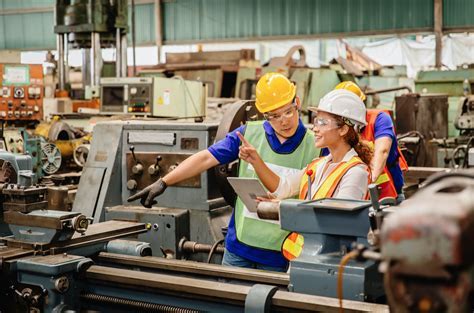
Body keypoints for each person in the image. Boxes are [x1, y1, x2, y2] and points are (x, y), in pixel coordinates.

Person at [127, 72, 319, 272]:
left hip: (281, 252)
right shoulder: (248, 134)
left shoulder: (316, 146)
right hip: (239, 249)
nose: (284, 121)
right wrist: (163, 182)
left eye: (288, 112)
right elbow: (206, 157)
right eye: (275, 116)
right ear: (265, 115)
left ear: (297, 102)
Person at [238, 89, 372, 261]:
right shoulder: (318, 165)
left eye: (323, 122)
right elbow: (283, 188)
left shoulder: (355, 172)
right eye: (316, 121)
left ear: (343, 129)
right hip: (306, 256)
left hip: (331, 261)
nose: (314, 128)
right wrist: (256, 161)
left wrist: (282, 207)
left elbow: (338, 221)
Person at [330, 81, 408, 202]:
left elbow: (382, 151)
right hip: (354, 194)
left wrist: (367, 181)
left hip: (387, 195)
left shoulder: (380, 119)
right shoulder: (338, 128)